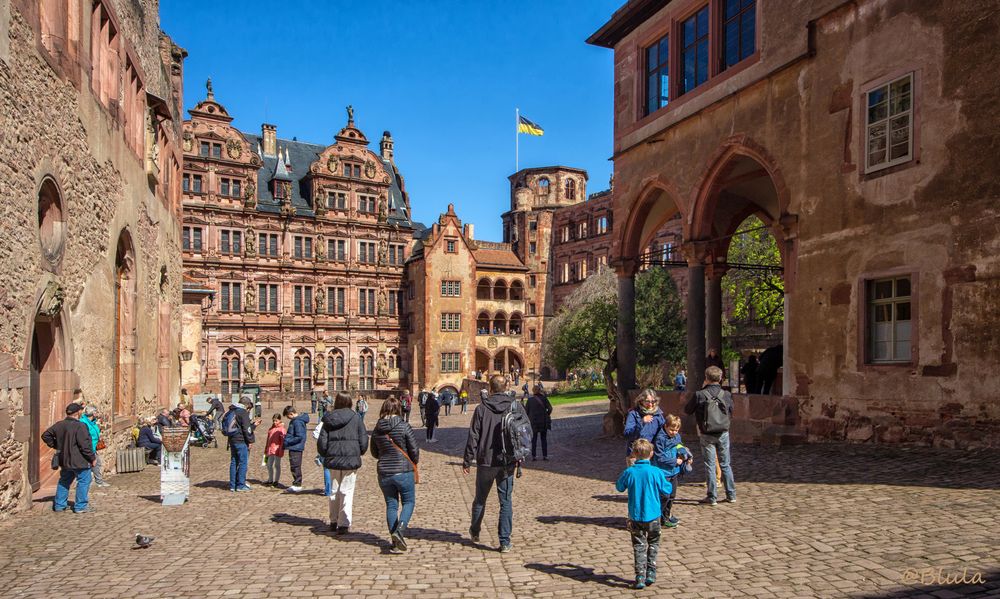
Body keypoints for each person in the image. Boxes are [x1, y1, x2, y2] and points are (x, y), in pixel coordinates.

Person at [463, 375, 528, 553]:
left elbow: (473, 436)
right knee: (505, 501)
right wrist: (521, 454)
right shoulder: (515, 406)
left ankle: (475, 531)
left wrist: (467, 460)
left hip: (486, 460)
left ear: (490, 389)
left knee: (480, 499)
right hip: (508, 461)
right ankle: (505, 541)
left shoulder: (482, 409)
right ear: (506, 387)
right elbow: (524, 431)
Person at [615, 438, 673, 590]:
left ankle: (640, 575)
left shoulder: (630, 472)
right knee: (653, 543)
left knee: (639, 546)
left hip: (636, 515)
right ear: (651, 454)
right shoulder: (656, 472)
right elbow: (667, 489)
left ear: (634, 453)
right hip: (653, 514)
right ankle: (651, 572)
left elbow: (619, 487)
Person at [370, 396, 420, 552]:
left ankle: (395, 541)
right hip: (403, 471)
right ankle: (400, 531)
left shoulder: (377, 429)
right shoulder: (404, 426)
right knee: (408, 502)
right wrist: (413, 461)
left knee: (391, 505)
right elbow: (414, 451)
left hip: (384, 472)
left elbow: (374, 452)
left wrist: (385, 456)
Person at [684, 366, 736, 506]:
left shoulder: (700, 394)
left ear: (706, 378)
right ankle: (731, 494)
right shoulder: (726, 394)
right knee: (725, 464)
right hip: (723, 432)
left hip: (707, 433)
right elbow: (731, 410)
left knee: (710, 465)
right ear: (720, 378)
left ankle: (712, 497)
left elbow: (687, 410)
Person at [318, 392, 369, 533]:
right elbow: (363, 439)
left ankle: (333, 521)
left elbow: (322, 441)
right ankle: (344, 523)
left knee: (334, 490)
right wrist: (359, 452)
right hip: (350, 458)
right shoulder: (356, 418)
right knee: (347, 490)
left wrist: (325, 454)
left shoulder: (328, 418)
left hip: (333, 459)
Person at [42, 403, 97, 513]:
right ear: (77, 413)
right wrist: (92, 458)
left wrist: (56, 445)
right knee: (84, 481)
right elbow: (84, 445)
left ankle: (59, 505)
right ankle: (80, 506)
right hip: (80, 460)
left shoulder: (59, 425)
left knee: (64, 481)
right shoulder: (80, 426)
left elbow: (45, 435)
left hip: (65, 459)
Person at [652, 414, 692, 528]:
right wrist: (675, 461)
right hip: (663, 472)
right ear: (665, 426)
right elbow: (659, 457)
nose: (674, 432)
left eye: (676, 430)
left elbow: (679, 445)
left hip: (674, 471)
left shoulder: (676, 436)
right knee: (664, 496)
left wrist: (685, 455)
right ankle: (658, 518)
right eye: (671, 430)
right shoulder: (660, 438)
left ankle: (666, 516)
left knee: (672, 495)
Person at [222, 397, 257, 492]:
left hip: (232, 440)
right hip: (241, 441)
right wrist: (250, 440)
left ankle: (232, 485)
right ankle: (241, 485)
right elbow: (247, 429)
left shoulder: (231, 411)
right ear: (246, 405)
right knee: (243, 462)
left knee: (234, 462)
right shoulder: (242, 412)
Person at [624, 390, 666, 466]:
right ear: (641, 401)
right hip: (635, 455)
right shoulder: (633, 414)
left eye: (653, 401)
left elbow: (665, 433)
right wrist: (641, 422)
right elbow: (627, 434)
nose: (650, 404)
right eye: (647, 401)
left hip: (652, 454)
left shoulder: (658, 414)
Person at [82, 405, 110, 488]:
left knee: (97, 463)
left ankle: (98, 481)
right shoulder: (84, 423)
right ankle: (95, 482)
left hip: (93, 447)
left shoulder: (93, 422)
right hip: (88, 448)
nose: (97, 413)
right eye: (96, 412)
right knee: (93, 464)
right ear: (92, 413)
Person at [282, 406, 309, 492]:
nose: (287, 418)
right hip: (295, 446)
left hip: (296, 447)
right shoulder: (296, 421)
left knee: (295, 465)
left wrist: (288, 441)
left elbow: (299, 436)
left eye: (287, 416)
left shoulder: (297, 422)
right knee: (294, 465)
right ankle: (296, 483)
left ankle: (297, 484)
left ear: (291, 414)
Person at [525, 384, 553, 461]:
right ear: (540, 391)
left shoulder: (530, 400)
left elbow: (526, 412)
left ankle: (534, 456)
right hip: (543, 421)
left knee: (534, 439)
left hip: (534, 422)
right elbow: (550, 408)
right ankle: (545, 455)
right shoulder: (544, 399)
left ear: (533, 391)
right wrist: (547, 414)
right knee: (543, 439)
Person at [264, 414, 286, 487]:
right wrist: (266, 448)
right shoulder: (271, 428)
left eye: (276, 421)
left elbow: (282, 441)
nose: (274, 422)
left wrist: (281, 450)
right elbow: (268, 439)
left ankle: (276, 480)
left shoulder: (282, 429)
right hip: (269, 449)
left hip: (277, 449)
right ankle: (270, 480)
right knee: (268, 465)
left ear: (280, 420)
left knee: (277, 465)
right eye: (273, 421)